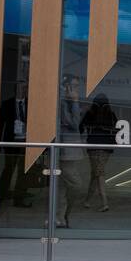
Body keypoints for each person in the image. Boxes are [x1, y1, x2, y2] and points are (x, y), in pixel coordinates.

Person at [80, 93, 117, 213]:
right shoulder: (111, 114)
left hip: (94, 146)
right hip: (106, 147)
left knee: (98, 173)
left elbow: (80, 128)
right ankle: (87, 200)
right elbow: (116, 129)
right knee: (96, 173)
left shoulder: (90, 113)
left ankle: (104, 203)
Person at [57, 75, 87, 224]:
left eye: (77, 86)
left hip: (70, 152)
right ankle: (64, 215)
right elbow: (74, 124)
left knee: (62, 186)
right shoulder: (63, 103)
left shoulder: (66, 103)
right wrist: (75, 101)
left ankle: (60, 217)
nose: (76, 90)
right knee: (76, 185)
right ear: (65, 87)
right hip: (65, 153)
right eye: (73, 86)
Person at [0, 82, 31, 208]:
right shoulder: (7, 104)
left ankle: (19, 199)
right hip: (11, 141)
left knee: (24, 171)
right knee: (8, 169)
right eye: (21, 88)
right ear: (16, 90)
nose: (24, 90)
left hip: (25, 141)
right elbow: (0, 124)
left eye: (25, 88)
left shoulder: (30, 103)